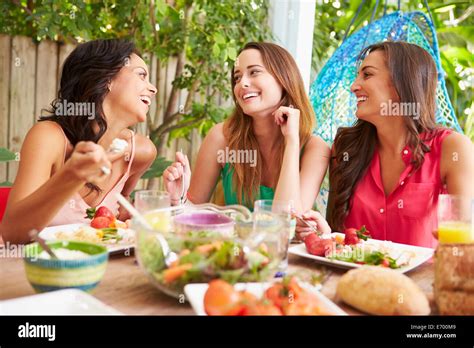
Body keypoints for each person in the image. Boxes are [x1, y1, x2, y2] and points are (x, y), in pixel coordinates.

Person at [300, 41, 473, 247]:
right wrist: (325, 235)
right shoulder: (346, 147)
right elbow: (338, 237)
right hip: (352, 278)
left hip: (421, 279)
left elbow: (463, 244)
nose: (354, 86)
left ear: (403, 83)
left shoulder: (452, 148)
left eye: (367, 75)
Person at [0, 39, 158, 244]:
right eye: (141, 75)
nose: (153, 88)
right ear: (106, 78)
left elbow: (116, 221)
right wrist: (72, 175)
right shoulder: (49, 138)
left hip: (96, 269)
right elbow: (13, 233)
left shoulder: (140, 152)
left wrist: (175, 201)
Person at [163, 42, 330, 216]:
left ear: (284, 78)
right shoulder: (221, 137)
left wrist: (291, 142)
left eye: (254, 72)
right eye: (237, 77)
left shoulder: (315, 148)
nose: (242, 83)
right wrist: (179, 198)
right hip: (231, 243)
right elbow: (192, 211)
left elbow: (286, 219)